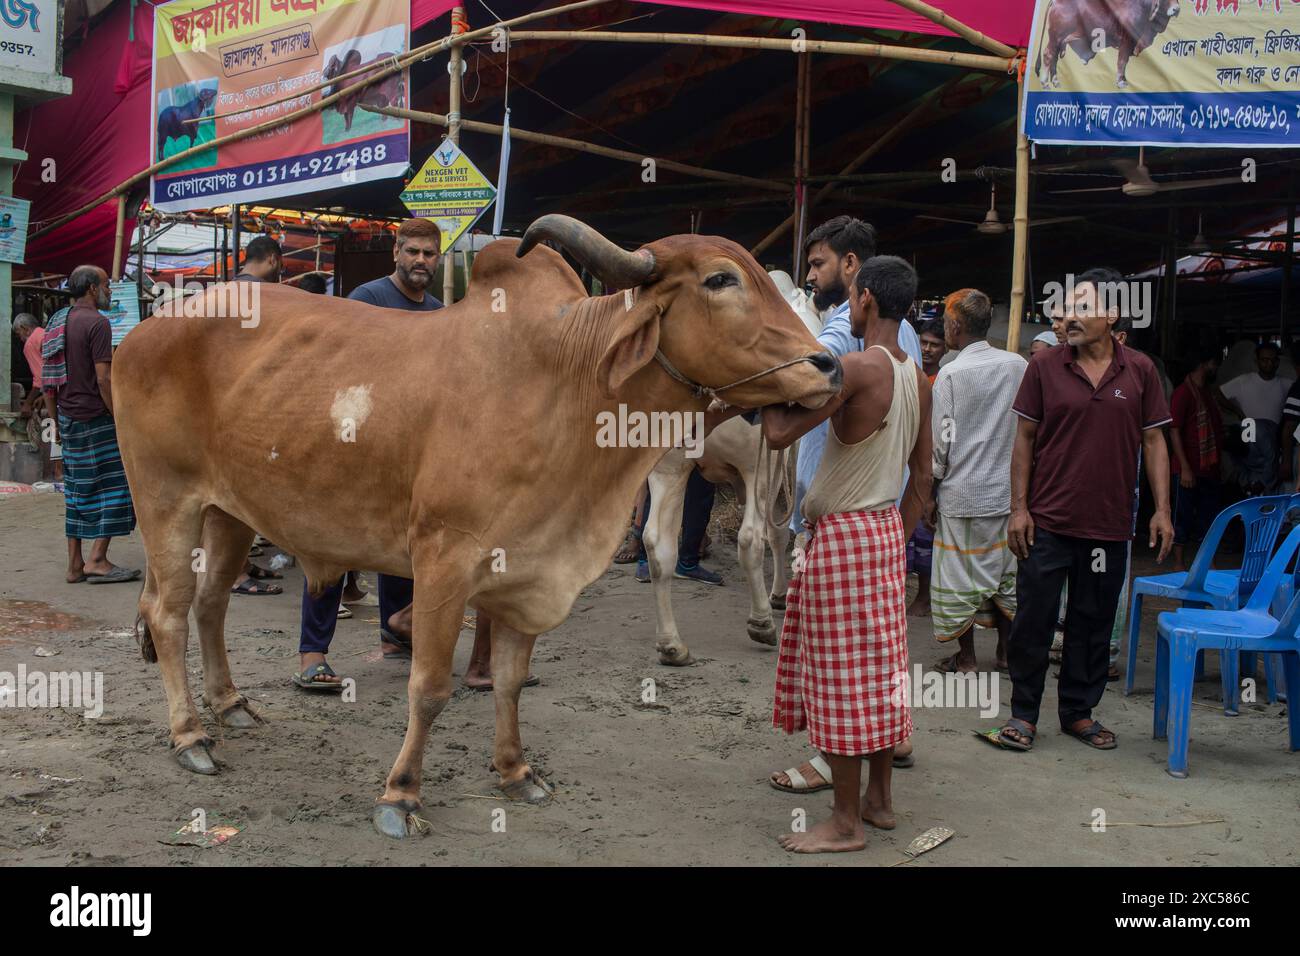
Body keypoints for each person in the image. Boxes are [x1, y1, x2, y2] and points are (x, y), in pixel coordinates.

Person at [759, 256, 930, 854]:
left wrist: (753, 391)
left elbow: (781, 433)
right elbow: (924, 479)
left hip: (844, 539)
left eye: (851, 297)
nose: (846, 306)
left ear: (865, 302)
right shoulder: (916, 376)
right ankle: (878, 803)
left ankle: (844, 824)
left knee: (839, 682)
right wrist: (894, 535)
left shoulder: (856, 367)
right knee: (879, 675)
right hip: (884, 533)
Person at [998, 267, 1173, 753]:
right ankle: (1023, 714)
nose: (1065, 317)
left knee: (1091, 623)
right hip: (1048, 521)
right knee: (1033, 620)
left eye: (1079, 308)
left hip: (1109, 526)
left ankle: (1078, 712)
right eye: (1063, 308)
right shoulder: (1046, 366)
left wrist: (1162, 509)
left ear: (1112, 313)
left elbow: (1155, 440)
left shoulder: (1138, 370)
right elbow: (1024, 439)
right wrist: (1019, 509)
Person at [929, 289, 1026, 674]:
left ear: (955, 326)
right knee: (1006, 575)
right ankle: (1005, 652)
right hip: (1007, 494)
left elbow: (941, 442)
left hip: (962, 495)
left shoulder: (951, 373)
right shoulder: (1018, 365)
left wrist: (929, 490)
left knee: (958, 580)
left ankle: (966, 658)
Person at [40, 265, 140, 584]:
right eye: (107, 285)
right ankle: (97, 559)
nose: (110, 291)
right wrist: (120, 416)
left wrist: (56, 422)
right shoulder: (98, 323)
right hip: (96, 418)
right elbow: (103, 378)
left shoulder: (57, 321)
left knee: (77, 491)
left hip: (68, 418)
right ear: (93, 289)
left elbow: (48, 384)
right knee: (120, 486)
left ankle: (74, 565)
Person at [229, 235, 287, 597]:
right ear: (272, 259)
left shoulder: (226, 291)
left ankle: (242, 565)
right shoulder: (261, 294)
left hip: (229, 403)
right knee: (237, 496)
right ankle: (236, 574)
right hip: (248, 406)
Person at [1169, 346, 1225, 570]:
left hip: (1208, 468)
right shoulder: (1183, 393)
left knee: (1208, 518)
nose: (1216, 368)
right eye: (1214, 363)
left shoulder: (1207, 393)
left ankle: (1208, 563)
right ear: (1204, 364)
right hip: (1188, 467)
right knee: (1181, 516)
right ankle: (1178, 563)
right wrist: (1185, 467)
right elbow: (1174, 430)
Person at [905, 318, 946, 615]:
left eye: (935, 345)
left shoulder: (943, 380)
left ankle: (924, 596)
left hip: (928, 461)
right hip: (903, 460)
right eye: (924, 343)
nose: (928, 349)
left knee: (924, 535)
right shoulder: (911, 374)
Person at [1220, 342, 1293, 494]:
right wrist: (1237, 411)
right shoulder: (1243, 381)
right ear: (1256, 361)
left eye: (1272, 360)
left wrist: (1263, 483)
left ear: (1278, 362)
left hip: (1273, 446)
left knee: (1270, 490)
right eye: (1264, 360)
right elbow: (1217, 393)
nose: (1269, 363)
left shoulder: (1287, 384)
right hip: (1251, 447)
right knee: (1247, 478)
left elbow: (1271, 460)